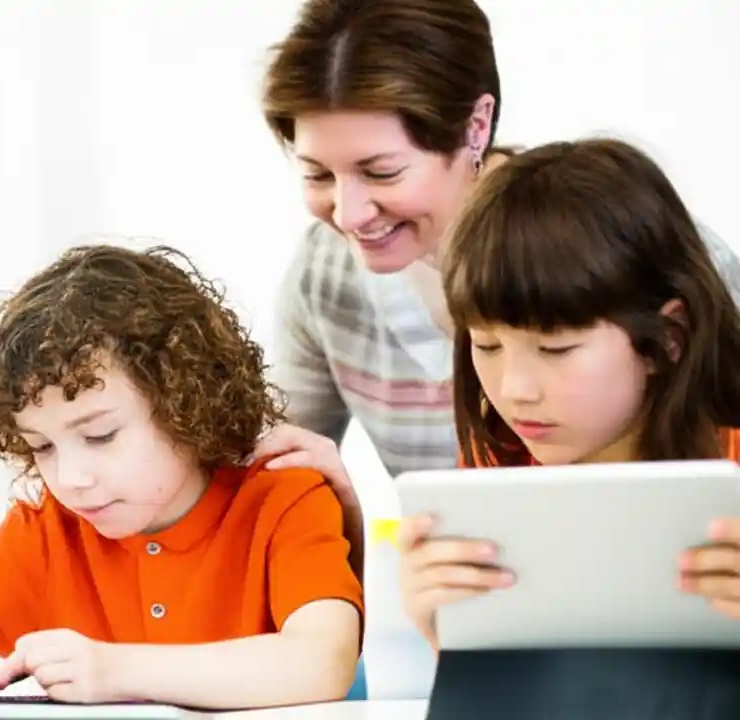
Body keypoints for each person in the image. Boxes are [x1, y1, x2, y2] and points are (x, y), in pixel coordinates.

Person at [252, 0, 740, 531]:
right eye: (318, 175)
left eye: (382, 172)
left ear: (476, 126)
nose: (349, 215)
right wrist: (340, 510)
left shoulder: (636, 247)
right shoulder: (325, 278)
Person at [0, 245, 363, 718]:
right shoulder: (46, 532)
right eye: (42, 447)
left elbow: (321, 663)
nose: (71, 479)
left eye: (100, 435)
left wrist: (114, 670)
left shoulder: (284, 494)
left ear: (188, 401)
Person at [396, 139, 740, 648]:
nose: (513, 389)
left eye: (556, 349)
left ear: (668, 338)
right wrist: (445, 630)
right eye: (486, 345)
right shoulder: (498, 465)